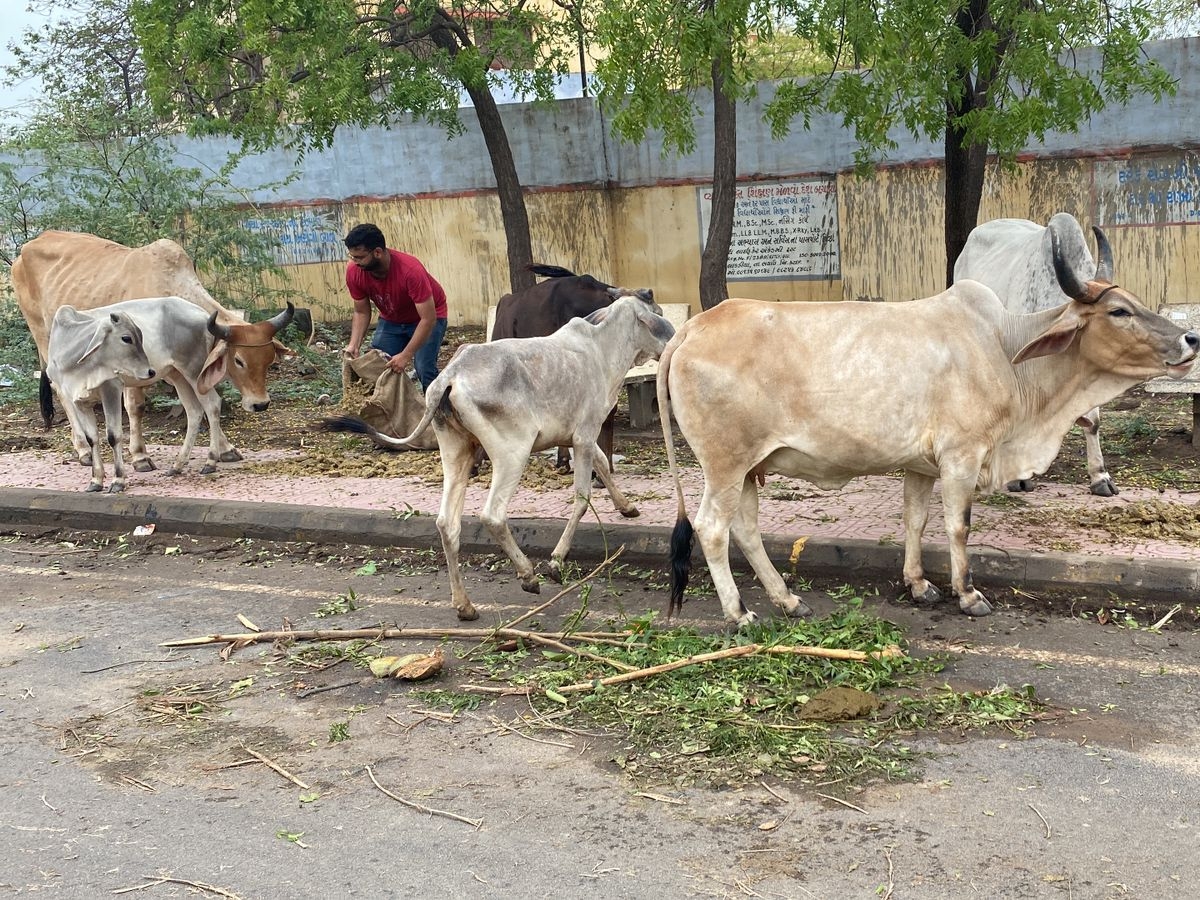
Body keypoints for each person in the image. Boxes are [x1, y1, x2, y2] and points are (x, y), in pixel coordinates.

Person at [343, 223, 449, 390]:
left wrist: (406, 356)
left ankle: (438, 405)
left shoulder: (410, 271)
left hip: (427, 317)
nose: (355, 262)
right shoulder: (354, 271)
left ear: (377, 252)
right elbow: (361, 311)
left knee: (424, 368)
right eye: (352, 257)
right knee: (377, 365)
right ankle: (389, 406)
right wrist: (354, 345)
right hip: (392, 319)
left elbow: (428, 319)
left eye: (360, 257)